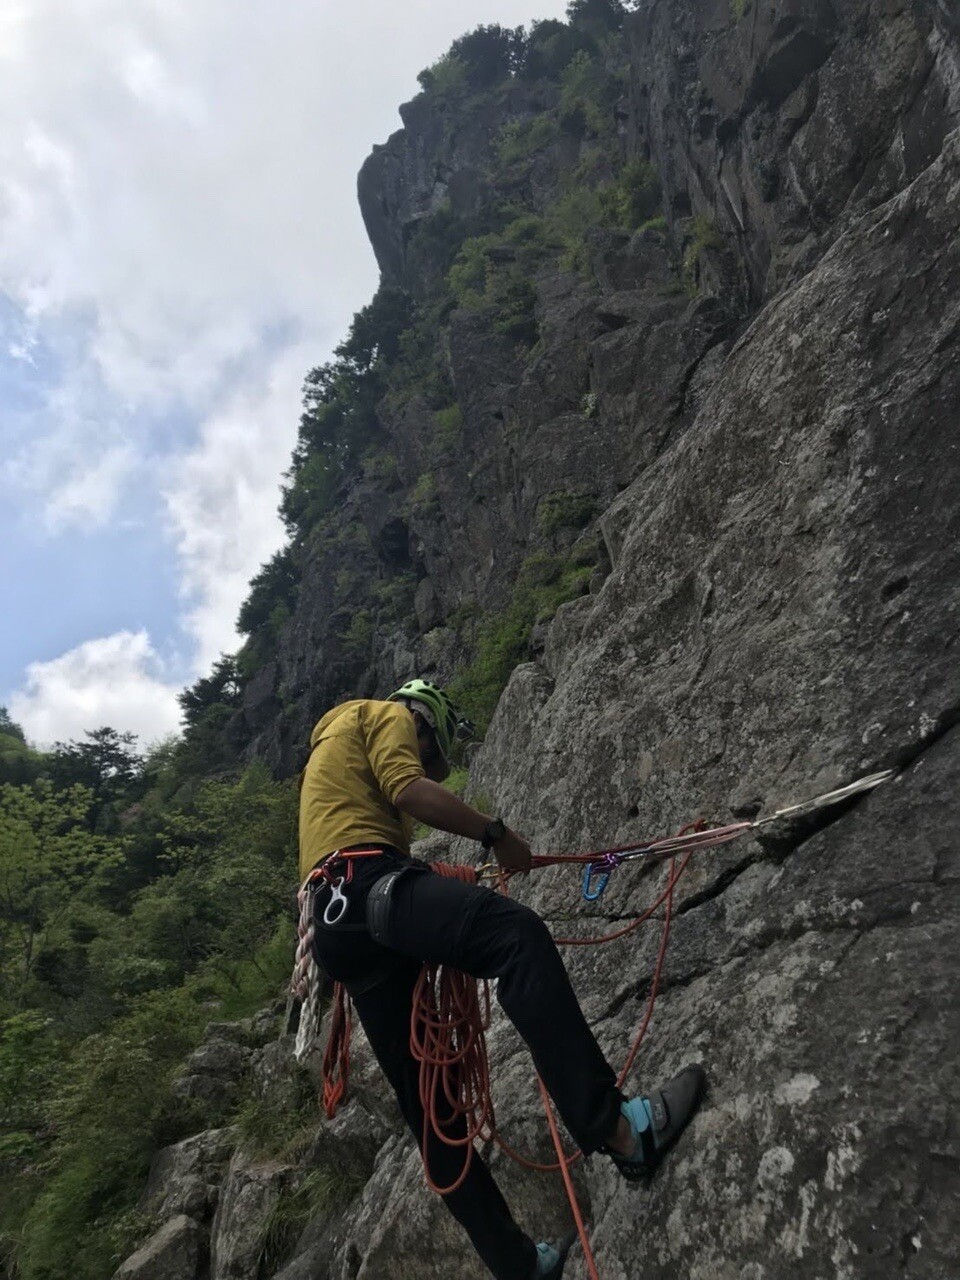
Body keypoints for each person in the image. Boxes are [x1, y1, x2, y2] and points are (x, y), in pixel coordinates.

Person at [299, 678, 706, 1280]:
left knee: (429, 1104)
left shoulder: (328, 752)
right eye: (431, 750)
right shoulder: (385, 713)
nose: (426, 760)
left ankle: (517, 1266)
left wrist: (430, 873)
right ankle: (619, 1131)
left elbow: (361, 841)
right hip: (368, 887)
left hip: (338, 924)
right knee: (517, 938)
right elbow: (409, 790)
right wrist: (497, 834)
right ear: (424, 719)